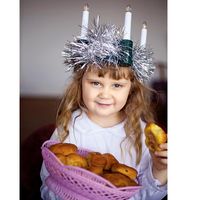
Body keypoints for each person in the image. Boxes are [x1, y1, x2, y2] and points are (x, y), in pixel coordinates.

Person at [40, 16, 167, 200]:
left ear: (131, 89)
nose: (105, 94)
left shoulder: (140, 134)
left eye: (117, 85)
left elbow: (144, 195)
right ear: (80, 83)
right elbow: (47, 186)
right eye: (96, 83)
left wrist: (159, 170)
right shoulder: (69, 128)